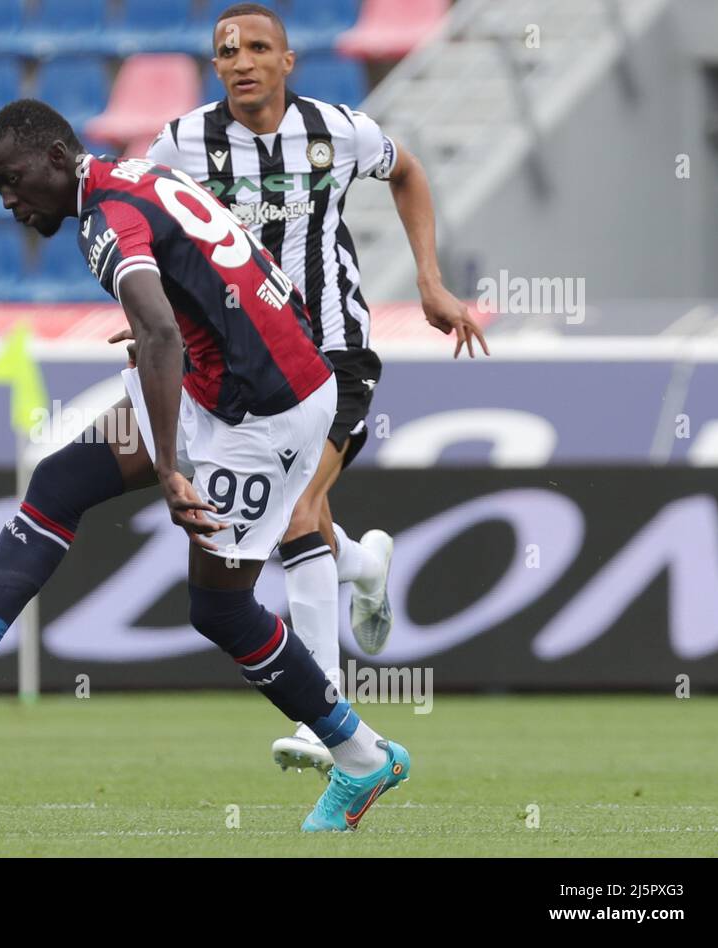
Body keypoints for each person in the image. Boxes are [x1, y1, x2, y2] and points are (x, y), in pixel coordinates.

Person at [0, 100, 409, 832]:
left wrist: (172, 466)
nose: (10, 201)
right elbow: (204, 274)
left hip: (266, 410)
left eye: (13, 180)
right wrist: (182, 326)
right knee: (59, 480)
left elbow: (160, 329)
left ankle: (365, 759)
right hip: (220, 375)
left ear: (55, 156)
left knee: (221, 610)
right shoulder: (128, 176)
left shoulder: (104, 217)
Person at [147, 3, 489, 775]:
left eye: (257, 47)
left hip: (336, 351)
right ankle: (363, 566)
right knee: (297, 520)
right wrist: (150, 311)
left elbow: (406, 169)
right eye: (226, 49)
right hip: (247, 364)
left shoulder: (339, 130)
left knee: (296, 511)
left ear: (287, 61)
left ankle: (322, 717)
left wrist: (430, 282)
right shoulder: (182, 144)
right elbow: (143, 225)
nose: (241, 60)